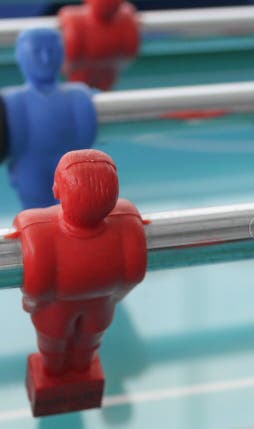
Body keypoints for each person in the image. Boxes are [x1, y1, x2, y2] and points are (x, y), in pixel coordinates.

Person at [11, 149, 147, 416]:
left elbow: (37, 292)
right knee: (88, 344)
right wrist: (112, 299)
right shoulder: (129, 225)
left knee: (53, 350)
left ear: (60, 189)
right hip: (101, 309)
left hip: (55, 314)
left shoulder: (35, 231)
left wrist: (29, 304)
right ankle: (81, 370)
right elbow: (130, 280)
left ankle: (54, 374)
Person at [1, 28, 96, 209]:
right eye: (37, 52)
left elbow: (86, 137)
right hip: (30, 172)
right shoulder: (12, 101)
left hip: (74, 171)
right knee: (37, 220)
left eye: (52, 51)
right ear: (20, 56)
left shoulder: (78, 96)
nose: (45, 59)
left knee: (78, 213)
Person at [59, 0, 139, 90]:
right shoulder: (73, 20)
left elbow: (128, 56)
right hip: (80, 80)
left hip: (105, 80)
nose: (107, 3)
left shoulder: (126, 19)